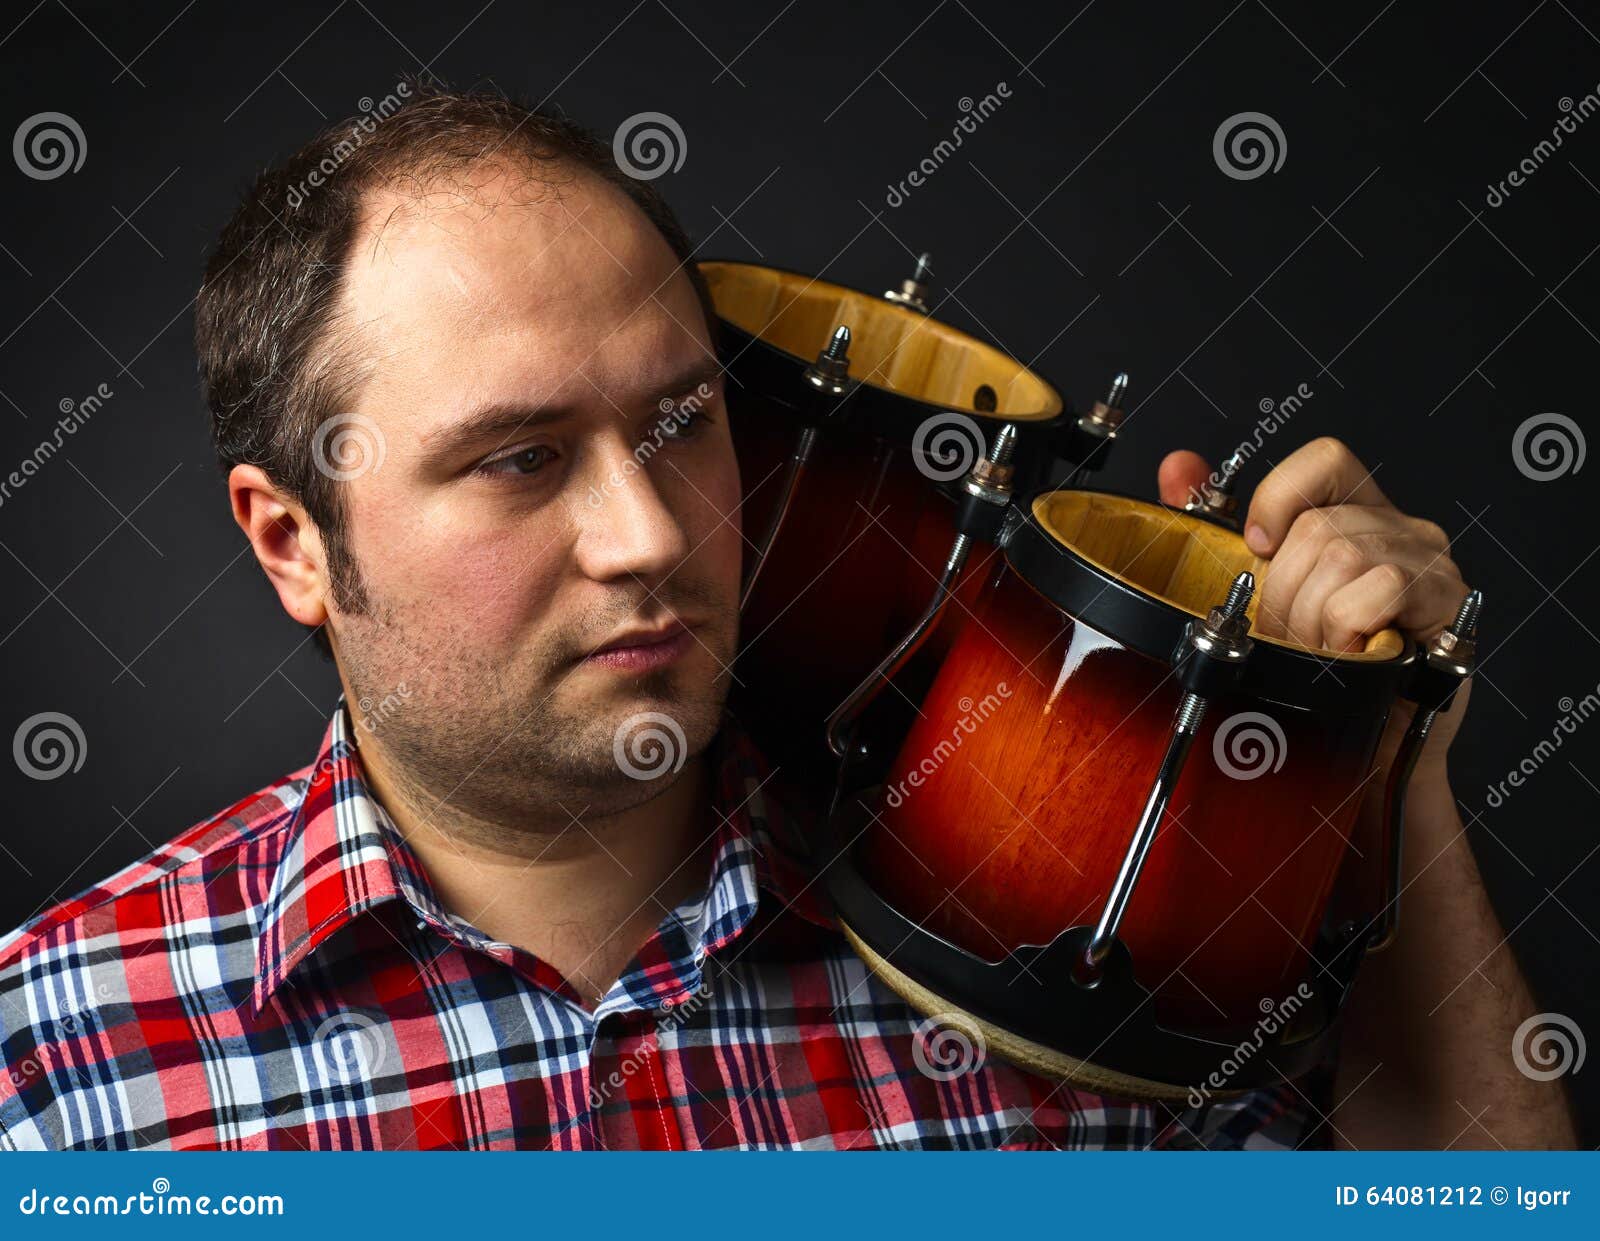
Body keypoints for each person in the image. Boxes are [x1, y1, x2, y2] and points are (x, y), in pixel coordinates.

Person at [0, 85, 1574, 1151]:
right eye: (521, 458)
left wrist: (1391, 758)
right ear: (295, 541)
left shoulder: (1044, 921)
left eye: (682, 423)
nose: (651, 534)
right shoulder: (54, 1069)